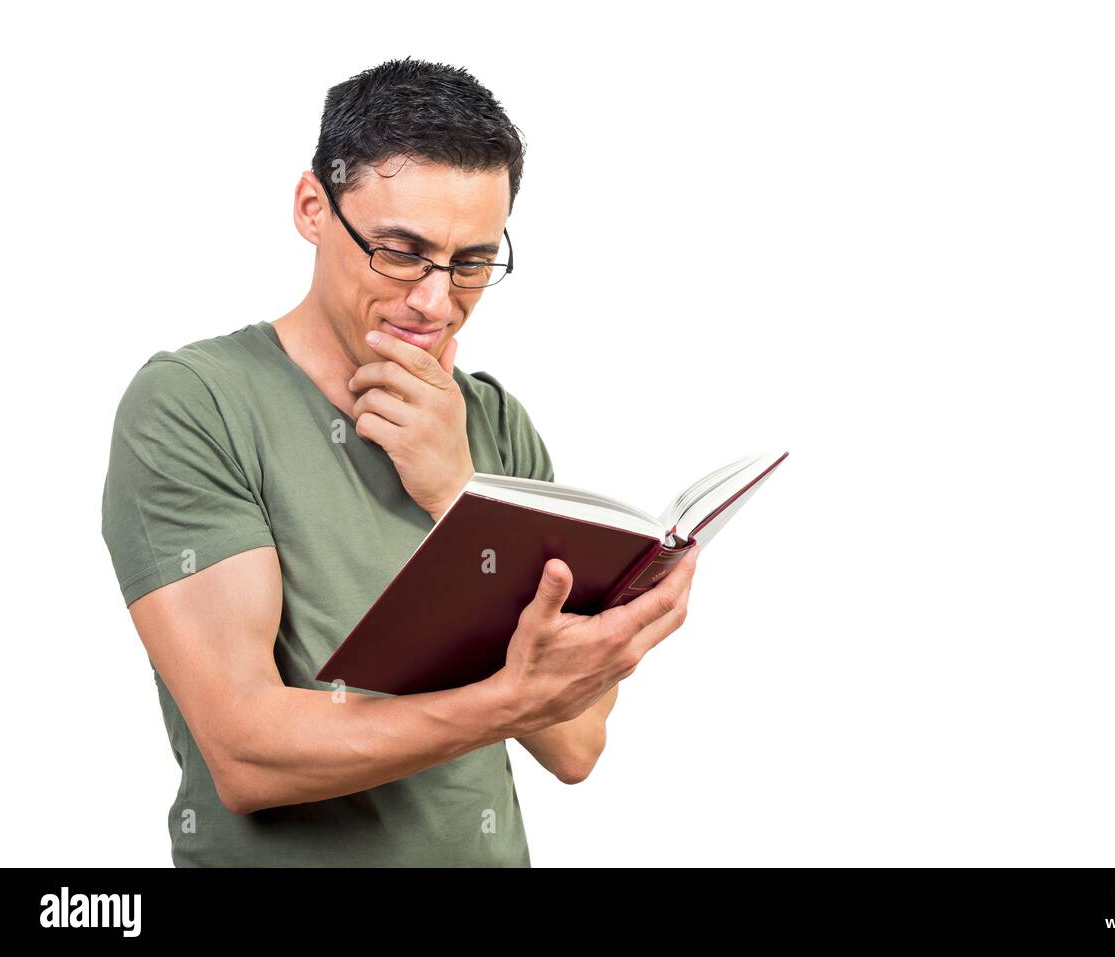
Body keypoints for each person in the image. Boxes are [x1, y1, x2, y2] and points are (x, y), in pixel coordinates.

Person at [100, 57, 698, 867]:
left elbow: (576, 743)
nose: (435, 301)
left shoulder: (493, 423)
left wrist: (459, 492)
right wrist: (505, 699)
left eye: (472, 263)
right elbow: (246, 752)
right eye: (400, 252)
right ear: (314, 207)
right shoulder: (195, 404)